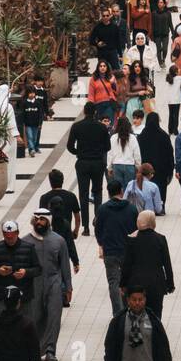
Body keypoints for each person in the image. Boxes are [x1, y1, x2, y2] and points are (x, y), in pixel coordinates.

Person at [105, 287, 174, 361]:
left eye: (140, 299)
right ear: (128, 300)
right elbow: (110, 344)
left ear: (145, 300)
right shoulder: (119, 321)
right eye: (134, 299)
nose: (137, 303)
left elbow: (163, 344)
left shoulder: (153, 320)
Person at [27, 208, 71, 361]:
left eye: (42, 219)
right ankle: (35, 349)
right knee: (35, 316)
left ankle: (51, 349)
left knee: (54, 316)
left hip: (54, 283)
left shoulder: (59, 240)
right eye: (37, 219)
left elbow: (65, 265)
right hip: (34, 284)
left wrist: (68, 287)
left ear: (48, 221)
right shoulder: (26, 241)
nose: (39, 222)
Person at [120, 210, 176, 319]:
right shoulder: (160, 239)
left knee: (137, 313)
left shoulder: (132, 240)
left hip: (136, 284)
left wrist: (123, 284)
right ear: (152, 222)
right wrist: (170, 284)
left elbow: (126, 265)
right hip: (156, 284)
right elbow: (167, 264)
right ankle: (155, 333)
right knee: (155, 315)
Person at [96, 179, 140, 316]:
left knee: (114, 282)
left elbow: (98, 230)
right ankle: (129, 310)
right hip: (128, 252)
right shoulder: (132, 208)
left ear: (108, 193)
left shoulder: (102, 209)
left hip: (110, 252)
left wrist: (102, 244)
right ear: (121, 191)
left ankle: (118, 314)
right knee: (128, 281)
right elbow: (136, 230)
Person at [0, 220, 41, 324]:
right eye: (7, 237)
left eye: (12, 237)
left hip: (23, 296)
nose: (10, 239)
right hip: (1, 296)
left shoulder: (28, 248)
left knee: (25, 328)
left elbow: (38, 269)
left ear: (17, 233)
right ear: (3, 234)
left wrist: (25, 272)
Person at [67, 102, 110, 235]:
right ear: (95, 112)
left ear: (85, 112)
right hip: (97, 162)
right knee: (97, 192)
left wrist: (78, 152)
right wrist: (98, 151)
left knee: (83, 194)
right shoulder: (102, 127)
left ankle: (85, 227)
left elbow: (69, 146)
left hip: (83, 162)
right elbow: (107, 147)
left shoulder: (77, 126)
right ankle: (97, 220)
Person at [38, 169, 82, 274]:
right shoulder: (71, 196)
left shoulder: (44, 198)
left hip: (48, 236)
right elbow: (77, 215)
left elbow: (40, 217)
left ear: (50, 182)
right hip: (65, 234)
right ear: (62, 180)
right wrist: (76, 230)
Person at [139, 112, 175, 211]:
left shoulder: (142, 136)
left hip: (146, 168)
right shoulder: (164, 135)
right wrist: (171, 168)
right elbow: (169, 152)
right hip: (161, 168)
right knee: (161, 188)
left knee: (146, 187)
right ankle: (161, 206)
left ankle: (148, 207)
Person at [108, 115, 142, 188]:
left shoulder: (113, 137)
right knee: (129, 190)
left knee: (119, 189)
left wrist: (109, 167)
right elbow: (137, 154)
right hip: (130, 166)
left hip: (116, 166)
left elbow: (110, 153)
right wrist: (138, 167)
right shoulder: (132, 138)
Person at [90, 5, 125, 73]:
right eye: (104, 16)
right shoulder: (98, 27)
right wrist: (97, 44)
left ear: (110, 15)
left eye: (107, 15)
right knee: (102, 71)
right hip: (102, 52)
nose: (105, 17)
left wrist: (120, 55)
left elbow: (118, 41)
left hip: (113, 52)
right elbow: (91, 40)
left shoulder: (114, 27)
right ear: (101, 16)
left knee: (116, 71)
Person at [15, 84, 47, 156]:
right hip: (28, 124)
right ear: (27, 94)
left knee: (35, 138)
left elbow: (40, 114)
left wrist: (40, 123)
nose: (32, 94)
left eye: (33, 93)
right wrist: (22, 123)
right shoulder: (24, 103)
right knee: (30, 136)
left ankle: (33, 147)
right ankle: (31, 150)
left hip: (36, 124)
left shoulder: (38, 103)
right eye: (30, 93)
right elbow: (22, 114)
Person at [88, 61, 120, 129]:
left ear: (107, 68)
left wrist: (113, 83)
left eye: (104, 66)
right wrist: (90, 106)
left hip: (109, 103)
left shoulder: (111, 77)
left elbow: (117, 91)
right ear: (98, 68)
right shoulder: (93, 79)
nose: (102, 68)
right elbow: (91, 93)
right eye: (101, 66)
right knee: (99, 125)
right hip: (98, 105)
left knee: (108, 124)